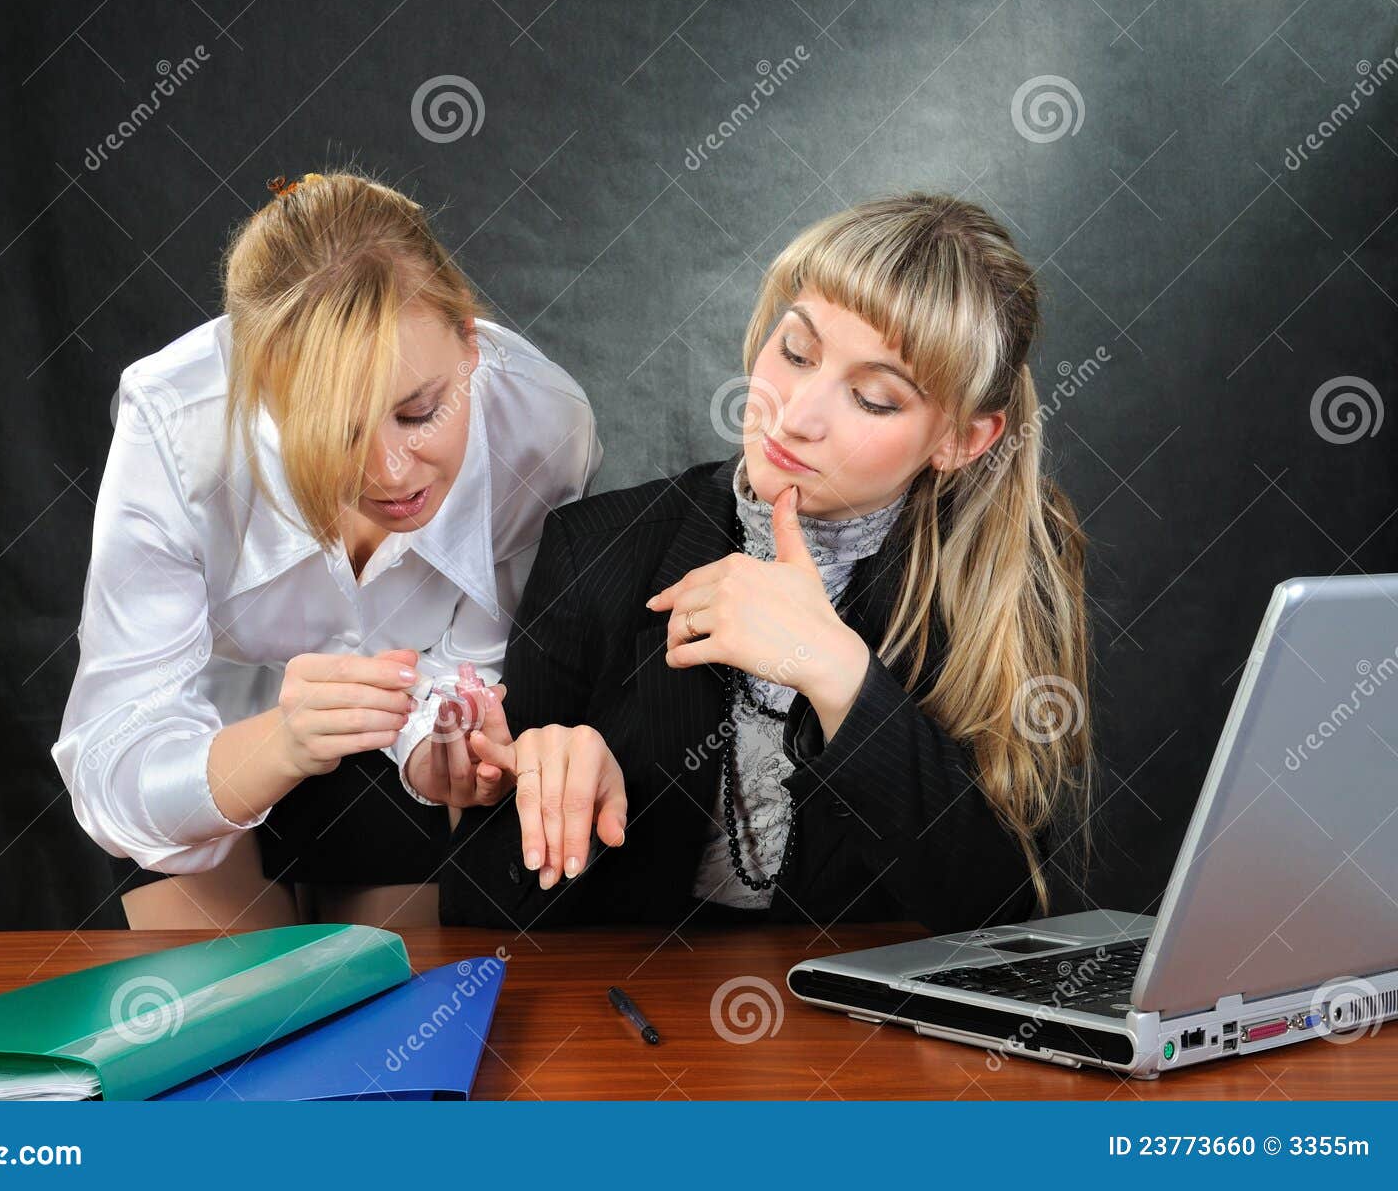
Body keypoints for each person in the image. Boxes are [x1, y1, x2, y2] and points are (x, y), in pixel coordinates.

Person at [444, 192, 1096, 932]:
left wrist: (837, 673)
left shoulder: (1012, 582)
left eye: (874, 398)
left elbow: (1008, 911)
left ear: (962, 441)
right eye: (796, 351)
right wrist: (559, 789)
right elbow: (475, 909)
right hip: (645, 1028)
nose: (797, 414)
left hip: (873, 1034)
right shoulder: (592, 546)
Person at [51, 169, 602, 928]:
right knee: (232, 1028)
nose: (391, 473)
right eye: (336, 433)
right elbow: (114, 768)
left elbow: (471, 667)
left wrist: (441, 747)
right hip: (210, 756)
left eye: (419, 412)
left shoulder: (542, 428)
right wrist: (283, 739)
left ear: (470, 342)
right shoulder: (178, 430)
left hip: (389, 772)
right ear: (264, 391)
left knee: (394, 1022)